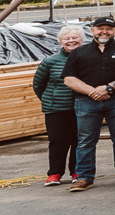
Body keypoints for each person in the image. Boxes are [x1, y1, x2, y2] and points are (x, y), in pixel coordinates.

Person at [61, 15, 115, 191]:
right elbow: (69, 79)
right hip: (86, 102)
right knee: (86, 140)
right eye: (100, 28)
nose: (105, 31)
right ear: (92, 31)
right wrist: (93, 91)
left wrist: (109, 88)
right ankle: (84, 177)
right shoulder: (79, 53)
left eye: (109, 28)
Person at [30, 26, 83, 186]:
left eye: (75, 38)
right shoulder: (50, 62)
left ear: (82, 40)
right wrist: (51, 100)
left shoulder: (88, 60)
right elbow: (38, 85)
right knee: (57, 141)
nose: (71, 41)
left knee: (79, 141)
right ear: (60, 41)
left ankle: (77, 172)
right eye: (67, 39)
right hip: (56, 109)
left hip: (81, 107)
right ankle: (54, 173)